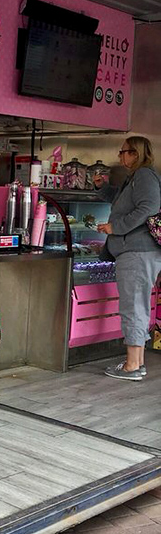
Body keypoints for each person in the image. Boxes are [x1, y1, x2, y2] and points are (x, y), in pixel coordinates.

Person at [95, 135, 161, 381]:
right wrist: (102, 187)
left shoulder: (144, 176)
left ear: (136, 153)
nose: (120, 156)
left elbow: (149, 208)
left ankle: (132, 366)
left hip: (137, 252)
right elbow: (121, 202)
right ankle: (138, 362)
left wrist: (116, 227)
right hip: (137, 252)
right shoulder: (135, 178)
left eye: (124, 152)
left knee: (133, 306)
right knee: (139, 306)